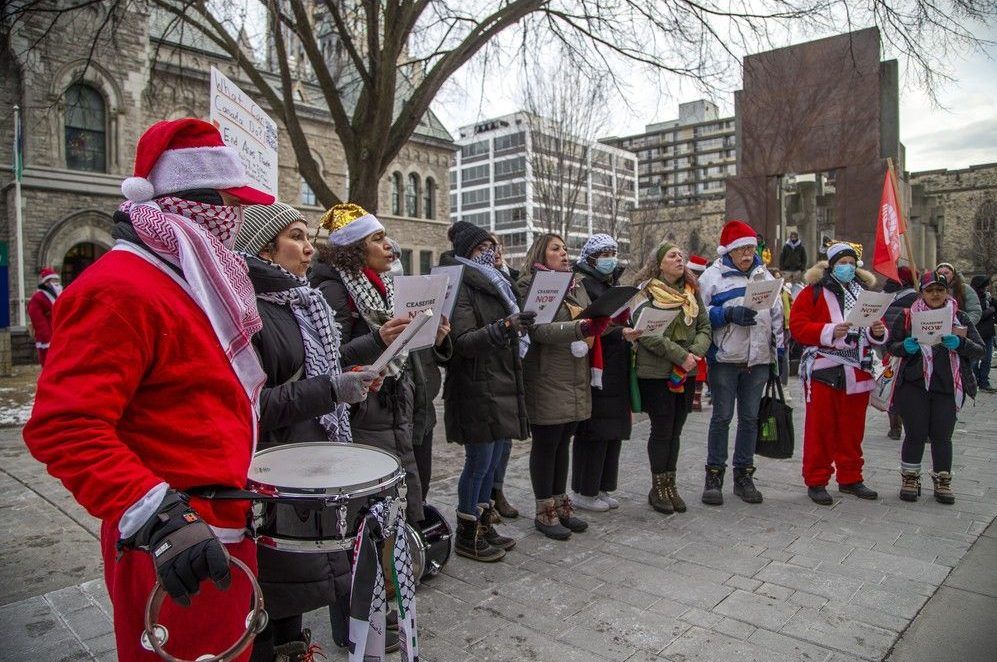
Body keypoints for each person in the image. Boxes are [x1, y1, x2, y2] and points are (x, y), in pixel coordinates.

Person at [23, 118, 275, 662]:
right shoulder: (120, 287)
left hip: (219, 529)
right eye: (228, 204)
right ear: (189, 201)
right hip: (171, 545)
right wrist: (157, 514)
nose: (235, 220)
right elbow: (64, 426)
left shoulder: (188, 281)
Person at [234, 203, 380, 658]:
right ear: (264, 248)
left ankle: (294, 647)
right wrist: (332, 389)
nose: (308, 247)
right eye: (296, 237)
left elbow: (324, 367)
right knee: (274, 590)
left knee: (295, 585)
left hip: (304, 462)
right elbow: (250, 407)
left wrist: (374, 347)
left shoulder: (299, 300)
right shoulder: (248, 309)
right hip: (271, 472)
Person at [310, 204, 443, 524]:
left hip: (397, 401)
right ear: (355, 248)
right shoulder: (334, 289)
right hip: (365, 410)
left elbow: (403, 349)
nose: (390, 245)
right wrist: (378, 340)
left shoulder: (387, 286)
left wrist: (433, 335)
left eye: (386, 237)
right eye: (378, 238)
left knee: (407, 482)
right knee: (376, 491)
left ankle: (404, 551)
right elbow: (329, 356)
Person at [441, 222, 530, 561]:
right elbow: (462, 342)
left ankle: (483, 523)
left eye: (492, 247)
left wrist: (517, 325)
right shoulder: (461, 283)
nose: (490, 254)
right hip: (476, 385)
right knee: (478, 462)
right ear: (467, 253)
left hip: (502, 380)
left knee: (493, 461)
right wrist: (505, 327)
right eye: (481, 249)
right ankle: (466, 533)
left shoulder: (499, 282)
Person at [517, 234, 607, 540]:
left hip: (573, 373)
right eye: (556, 248)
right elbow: (538, 329)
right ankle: (544, 510)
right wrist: (580, 328)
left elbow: (589, 317)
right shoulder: (530, 284)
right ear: (541, 251)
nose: (564, 253)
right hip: (546, 374)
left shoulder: (576, 284)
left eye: (566, 248)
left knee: (564, 439)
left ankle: (560, 501)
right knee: (547, 442)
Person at [790, 242, 886, 505]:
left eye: (851, 262)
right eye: (842, 262)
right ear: (831, 265)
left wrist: (877, 332)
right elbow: (798, 327)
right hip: (824, 367)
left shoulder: (865, 292)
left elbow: (877, 327)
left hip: (858, 370)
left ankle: (851, 477)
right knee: (820, 429)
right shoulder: (813, 292)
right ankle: (817, 480)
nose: (848, 267)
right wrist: (830, 331)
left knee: (852, 430)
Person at [699, 220, 784, 506]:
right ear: (730, 251)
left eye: (751, 248)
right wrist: (728, 314)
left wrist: (778, 354)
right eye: (742, 249)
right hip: (725, 358)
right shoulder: (712, 276)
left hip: (758, 360)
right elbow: (699, 314)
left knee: (750, 419)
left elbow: (776, 317)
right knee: (721, 418)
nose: (748, 254)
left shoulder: (764, 275)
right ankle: (714, 476)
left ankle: (744, 476)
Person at [888, 271, 984, 504]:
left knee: (942, 436)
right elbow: (891, 345)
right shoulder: (908, 316)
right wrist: (905, 346)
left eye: (939, 290)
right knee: (915, 433)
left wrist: (960, 342)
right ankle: (910, 478)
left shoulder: (959, 317)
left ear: (946, 292)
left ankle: (942, 481)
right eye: (929, 290)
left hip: (947, 385)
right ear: (922, 292)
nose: (935, 295)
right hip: (914, 383)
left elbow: (979, 348)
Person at [631, 242, 710, 514]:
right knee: (662, 429)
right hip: (657, 373)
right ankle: (657, 487)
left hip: (685, 372)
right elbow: (647, 333)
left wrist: (694, 354)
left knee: (676, 429)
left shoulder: (691, 293)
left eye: (681, 255)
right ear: (659, 263)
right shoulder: (646, 293)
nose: (679, 258)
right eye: (672, 255)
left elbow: (705, 328)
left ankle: (670, 484)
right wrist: (681, 356)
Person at [571, 234, 638, 512]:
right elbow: (586, 321)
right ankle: (584, 490)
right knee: (596, 430)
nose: (610, 257)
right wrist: (618, 331)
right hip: (597, 364)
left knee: (614, 431)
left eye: (613, 251)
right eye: (603, 253)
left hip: (618, 361)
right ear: (590, 257)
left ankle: (603, 486)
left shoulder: (613, 284)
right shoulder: (582, 284)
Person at [386, 239, 454, 503]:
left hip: (422, 410)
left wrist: (437, 339)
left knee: (421, 483)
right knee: (402, 491)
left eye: (397, 255)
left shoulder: (412, 293)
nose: (394, 262)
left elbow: (428, 355)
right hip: (395, 412)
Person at [487, 232, 521, 518]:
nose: (495, 252)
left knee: (506, 439)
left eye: (497, 246)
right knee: (489, 443)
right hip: (492, 361)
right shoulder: (480, 280)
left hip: (513, 363)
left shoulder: (512, 277)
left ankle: (498, 490)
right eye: (487, 247)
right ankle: (487, 497)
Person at [882, 266, 919, 439]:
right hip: (910, 349)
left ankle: (894, 427)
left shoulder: (885, 296)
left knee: (893, 386)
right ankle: (915, 425)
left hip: (888, 347)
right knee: (910, 388)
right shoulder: (916, 299)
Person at [687, 255, 711, 411]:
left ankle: (696, 400)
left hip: (699, 334)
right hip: (691, 332)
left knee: (700, 367)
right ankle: (695, 400)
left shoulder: (701, 287)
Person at [26, 268, 61, 365]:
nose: (56, 283)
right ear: (46, 282)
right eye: (53, 280)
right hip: (47, 332)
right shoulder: (38, 297)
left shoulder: (58, 295)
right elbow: (37, 319)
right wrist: (46, 335)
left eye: (57, 280)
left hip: (58, 329)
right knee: (48, 359)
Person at [970, 275, 995, 393]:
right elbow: (978, 315)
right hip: (977, 333)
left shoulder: (987, 298)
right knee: (974, 360)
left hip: (988, 333)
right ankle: (976, 379)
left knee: (987, 359)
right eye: (984, 286)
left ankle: (984, 382)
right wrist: (991, 310)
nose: (985, 288)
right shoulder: (971, 298)